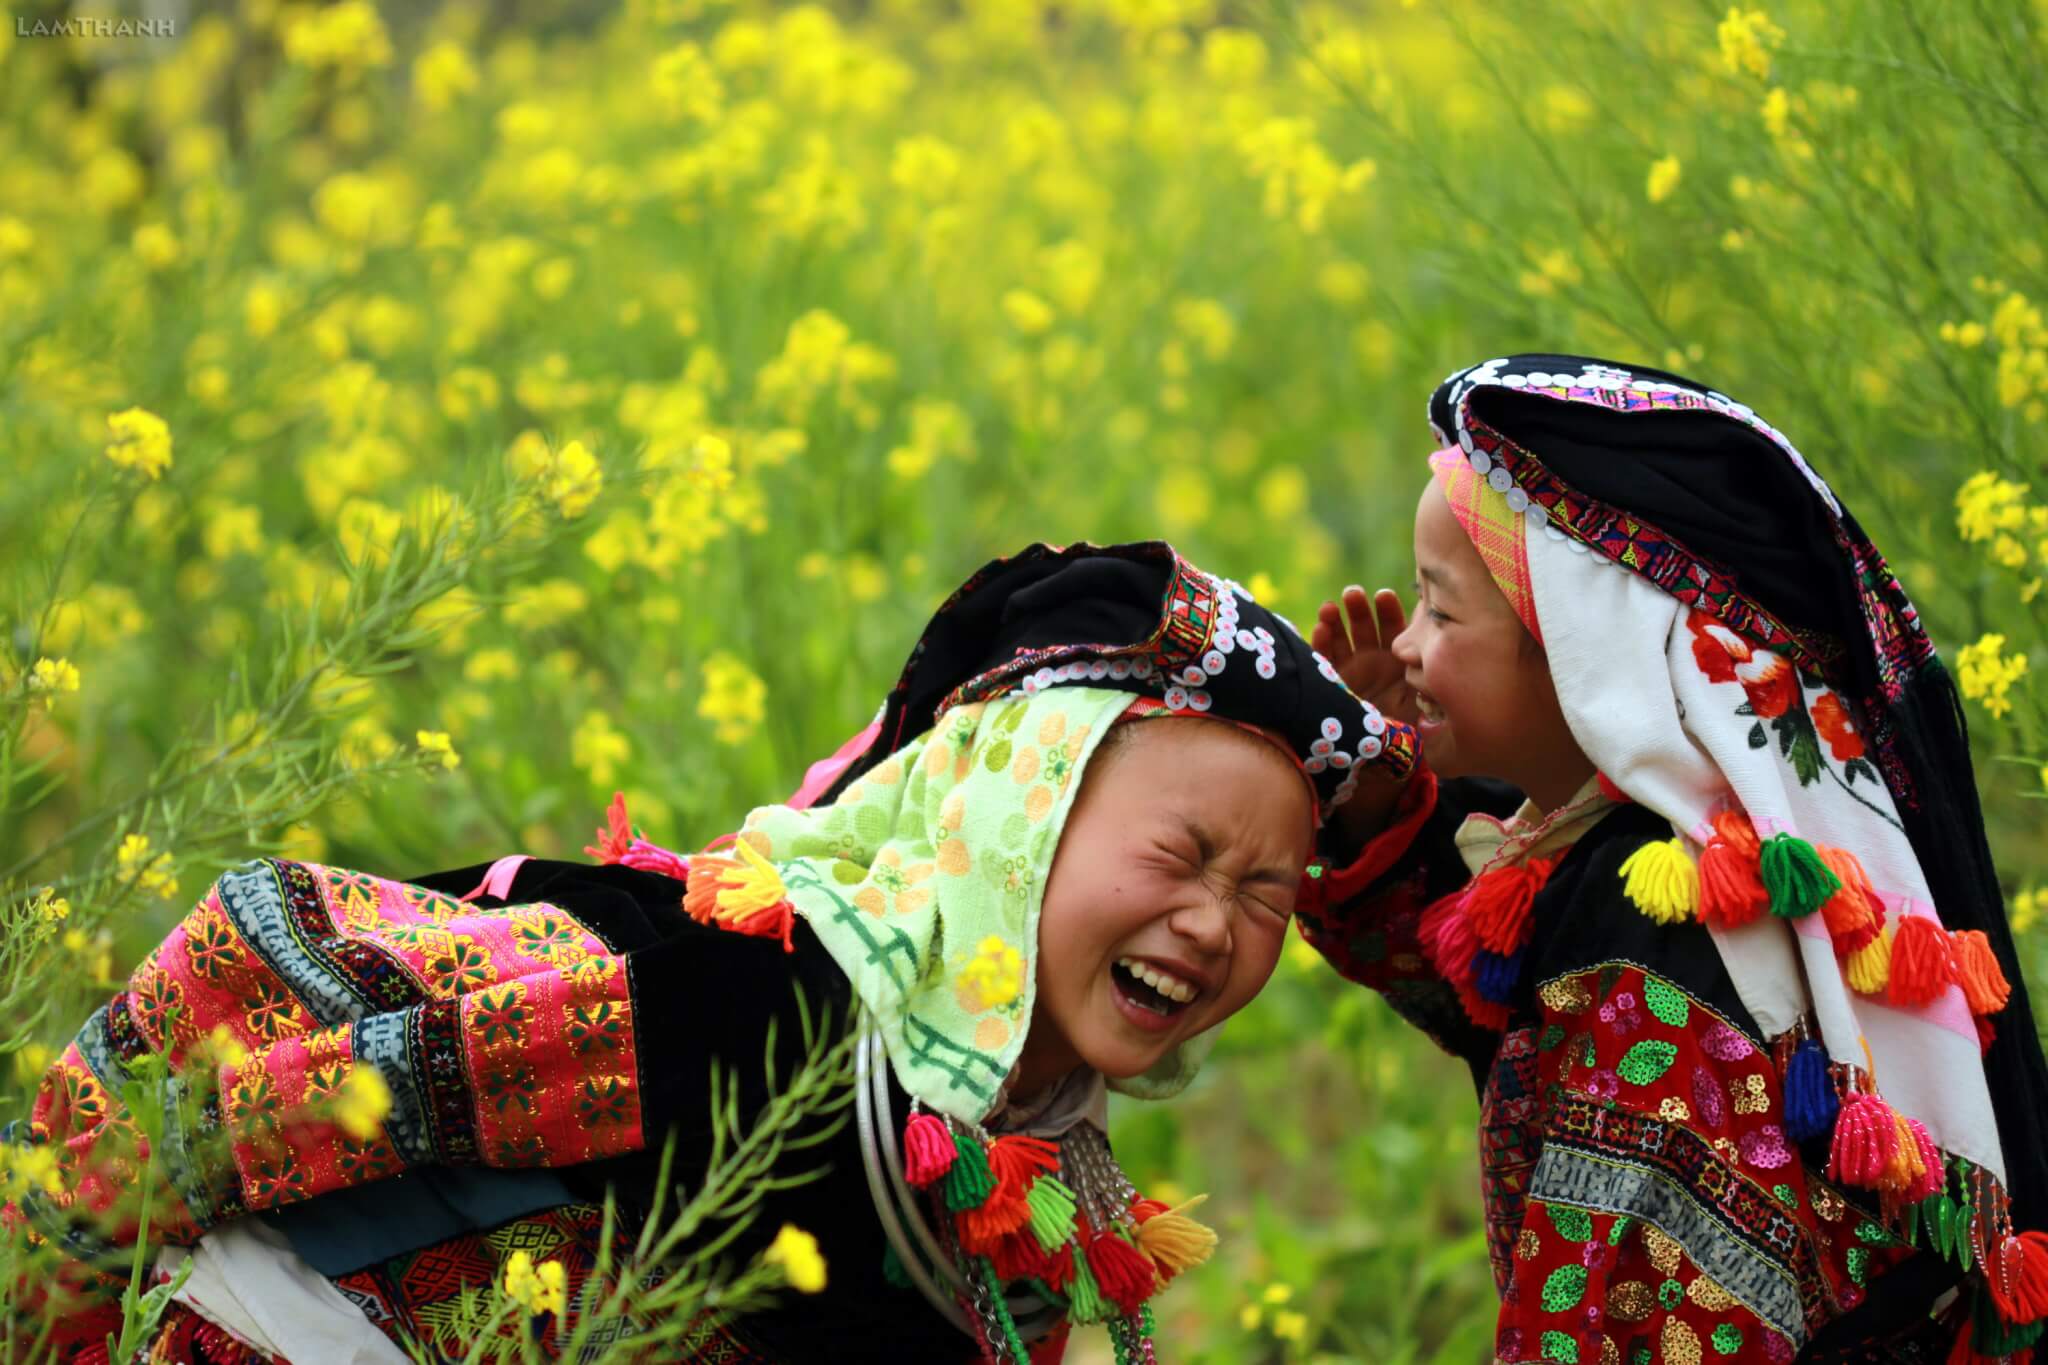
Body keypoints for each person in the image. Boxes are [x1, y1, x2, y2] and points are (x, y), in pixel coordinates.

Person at [3, 540, 1415, 1365]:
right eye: (1180, 856)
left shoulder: (1035, 1141)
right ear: (1010, 818)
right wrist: (62, 1265)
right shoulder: (754, 991)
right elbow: (312, 1099)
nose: (1214, 921)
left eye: (1266, 894)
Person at [1300, 352, 2048, 1362]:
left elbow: (1606, 1317)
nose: (1404, 645)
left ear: (1583, 650)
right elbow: (1480, 990)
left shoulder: (1653, 948)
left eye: (1439, 609)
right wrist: (1381, 804)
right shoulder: (1672, 853)